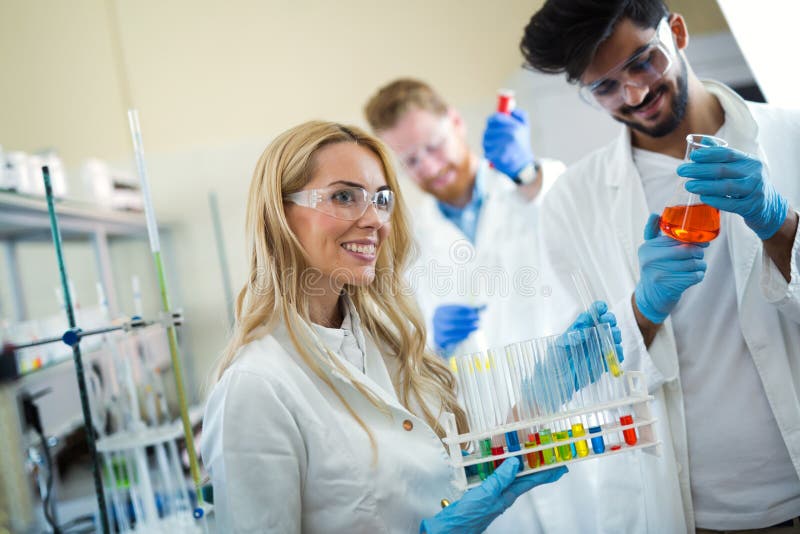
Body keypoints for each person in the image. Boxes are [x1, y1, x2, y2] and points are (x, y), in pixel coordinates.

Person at [200, 120, 571, 533]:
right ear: (281, 214)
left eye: (381, 199)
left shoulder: (387, 346)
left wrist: (538, 401)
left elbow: (440, 474)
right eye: (344, 196)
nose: (374, 219)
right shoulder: (256, 387)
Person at [520, 0, 800, 532]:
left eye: (642, 61)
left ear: (677, 31)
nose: (635, 93)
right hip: (697, 513)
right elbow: (590, 378)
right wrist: (643, 309)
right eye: (603, 87)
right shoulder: (572, 204)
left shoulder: (793, 138)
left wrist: (780, 225)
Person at [364, 79, 567, 356]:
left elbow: (574, 231)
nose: (429, 167)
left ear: (456, 121)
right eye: (410, 161)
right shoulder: (408, 241)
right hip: (481, 395)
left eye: (434, 146)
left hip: (567, 387)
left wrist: (527, 174)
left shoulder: (535, 185)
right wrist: (433, 339)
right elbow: (410, 355)